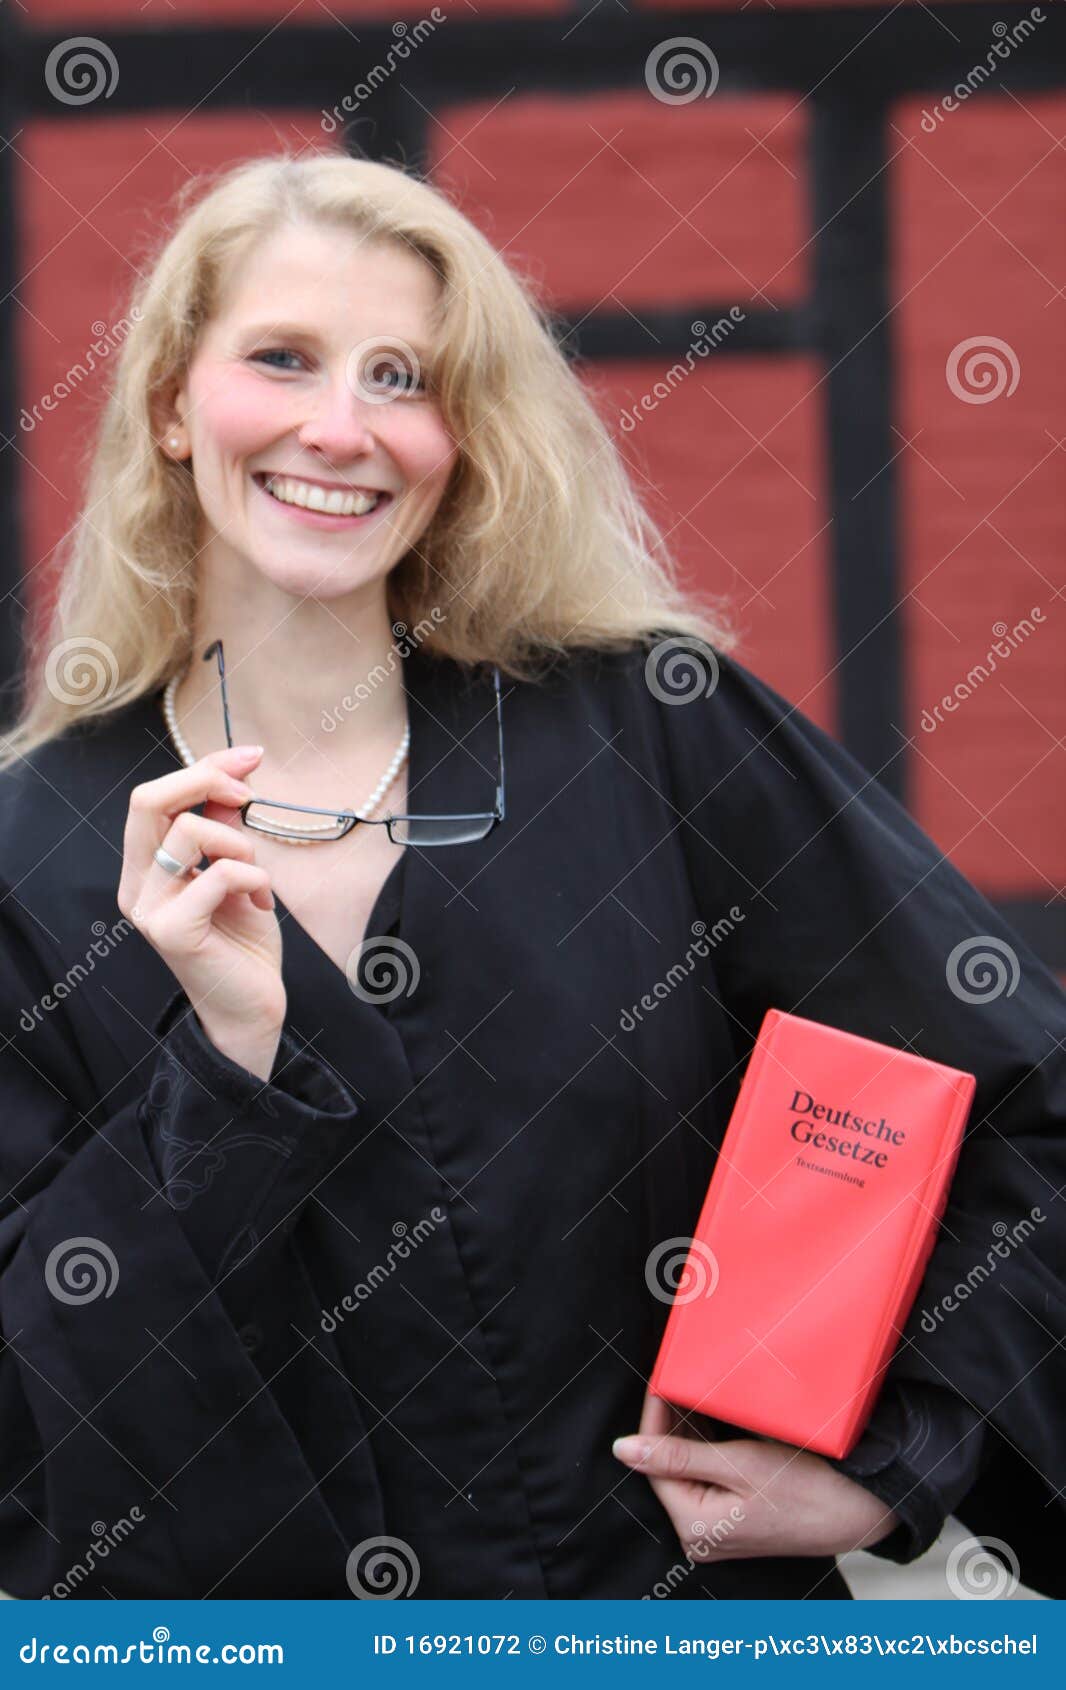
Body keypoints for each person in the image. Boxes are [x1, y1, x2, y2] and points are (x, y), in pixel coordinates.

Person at [0, 151, 1062, 1602]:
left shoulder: (644, 729)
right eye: (282, 359)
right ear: (175, 405)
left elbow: (1028, 1113)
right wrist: (228, 1074)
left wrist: (893, 1454)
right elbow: (36, 1429)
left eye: (402, 378)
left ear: (465, 436)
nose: (340, 427)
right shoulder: (32, 854)